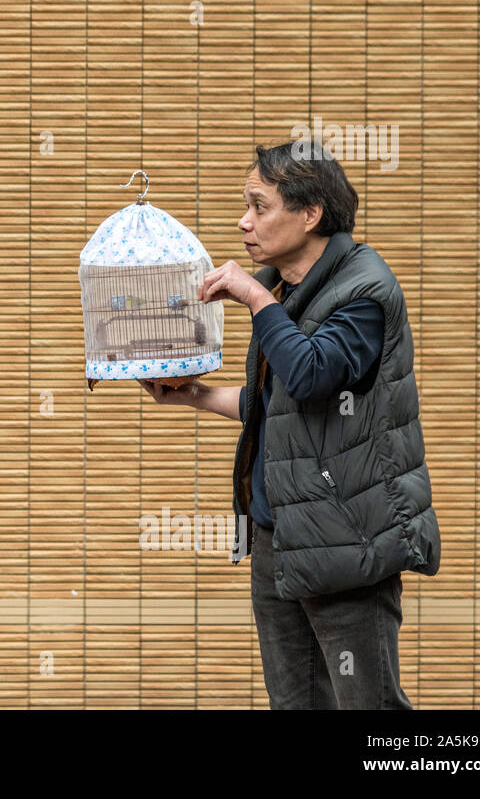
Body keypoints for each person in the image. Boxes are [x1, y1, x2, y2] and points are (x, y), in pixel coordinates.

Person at [140, 139, 440, 709]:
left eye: (258, 206)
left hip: (348, 539)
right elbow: (281, 406)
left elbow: (311, 376)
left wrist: (254, 297)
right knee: (295, 703)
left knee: (370, 710)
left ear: (310, 214)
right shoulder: (286, 288)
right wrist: (192, 396)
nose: (243, 221)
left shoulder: (363, 290)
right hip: (279, 535)